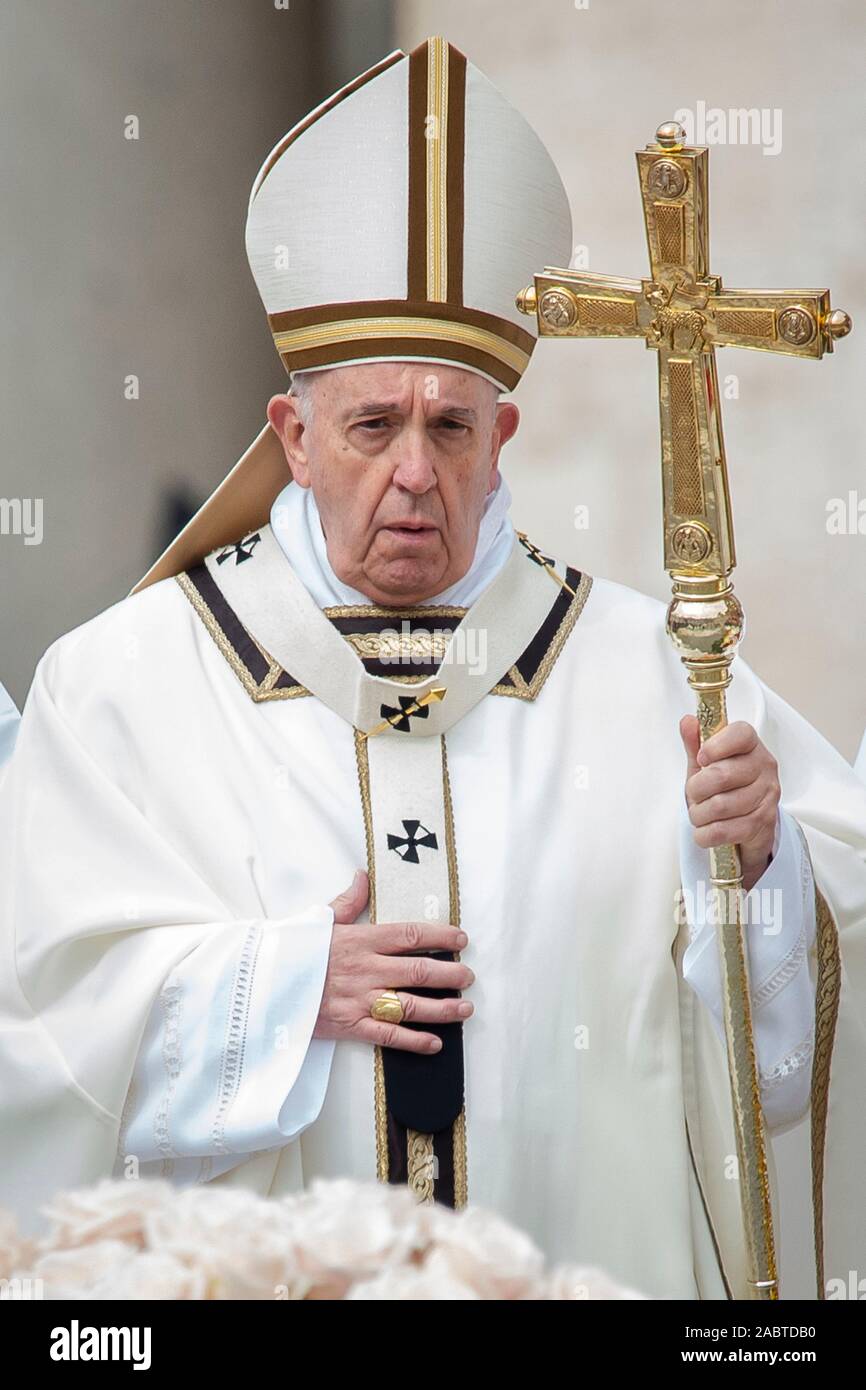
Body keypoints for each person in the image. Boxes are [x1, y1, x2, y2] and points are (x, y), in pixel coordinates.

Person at [2, 35, 865, 1301]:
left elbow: (789, 1033)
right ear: (292, 438)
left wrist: (758, 866)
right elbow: (38, 1018)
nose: (414, 471)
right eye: (371, 426)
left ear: (501, 435)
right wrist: (286, 988)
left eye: (449, 426)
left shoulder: (650, 678)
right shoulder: (122, 688)